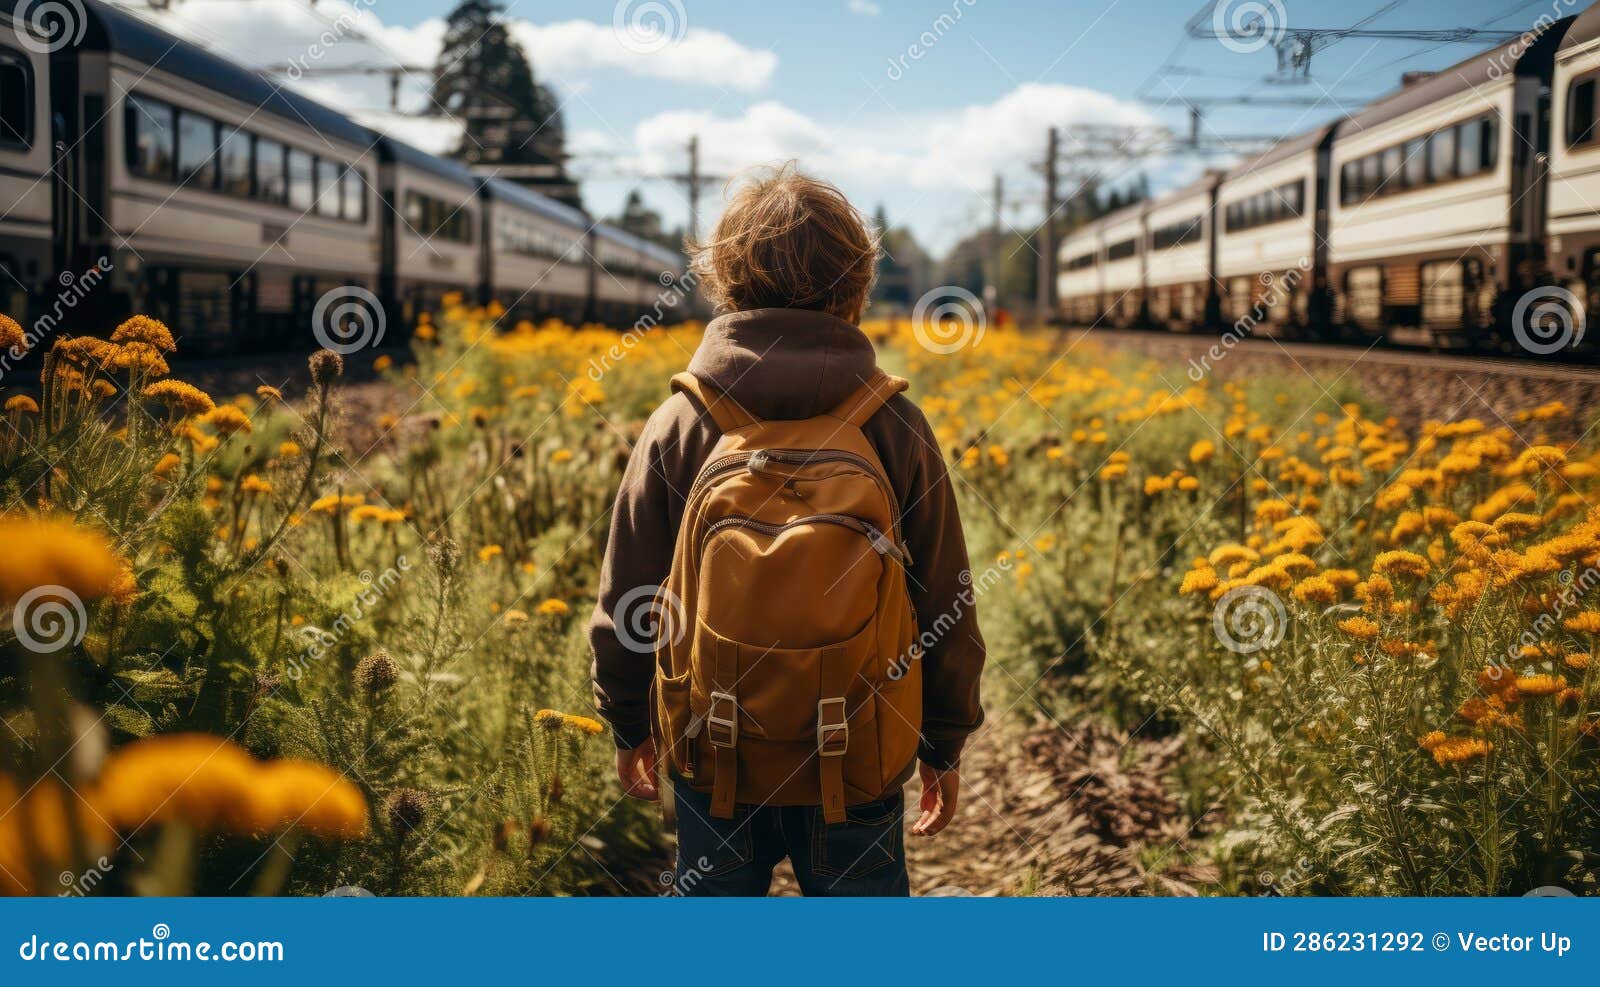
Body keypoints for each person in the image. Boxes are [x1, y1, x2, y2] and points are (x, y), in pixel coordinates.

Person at [589, 162, 986, 896]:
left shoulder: (682, 421)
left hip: (716, 752)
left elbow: (629, 596)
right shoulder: (893, 422)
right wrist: (944, 740)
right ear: (855, 285)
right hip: (859, 751)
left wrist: (627, 720)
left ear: (725, 279)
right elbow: (946, 600)